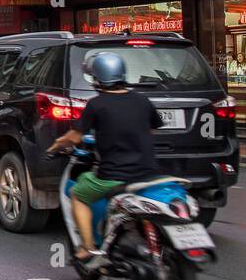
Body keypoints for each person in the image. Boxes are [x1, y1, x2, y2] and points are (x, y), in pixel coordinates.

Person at [47, 52, 163, 269]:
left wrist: (56, 145)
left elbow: (74, 137)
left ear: (97, 78)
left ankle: (87, 247)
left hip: (113, 176)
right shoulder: (142, 100)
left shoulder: (97, 104)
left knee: (78, 194)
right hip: (148, 173)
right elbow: (151, 130)